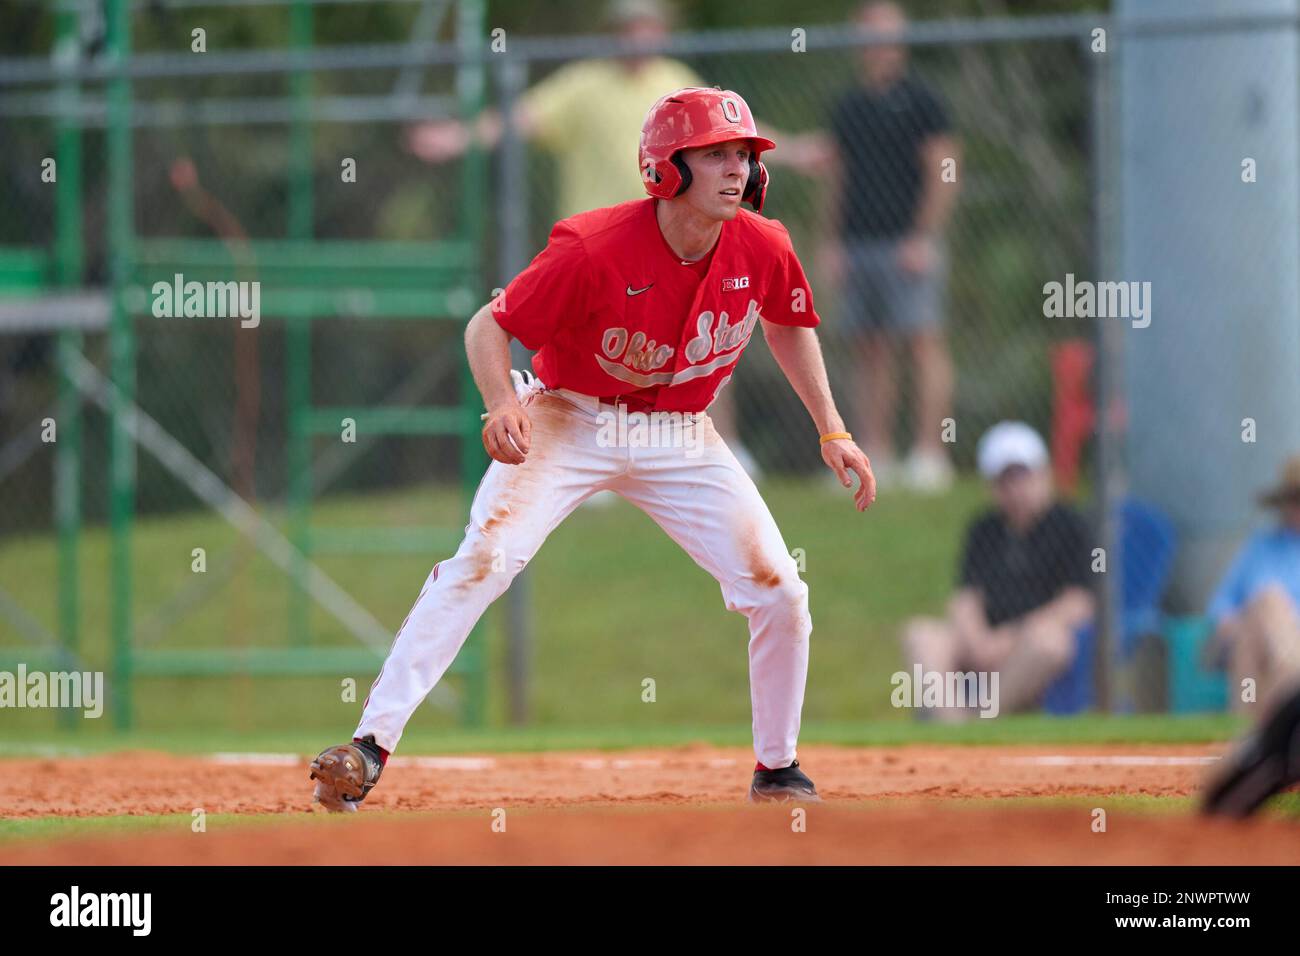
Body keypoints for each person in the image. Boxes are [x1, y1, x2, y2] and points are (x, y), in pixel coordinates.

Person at [310, 87, 876, 811]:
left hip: (682, 432)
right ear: (666, 170)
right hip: (569, 416)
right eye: (715, 155)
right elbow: (491, 323)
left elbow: (789, 322)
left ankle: (777, 771)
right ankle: (368, 749)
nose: (737, 170)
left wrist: (833, 428)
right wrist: (501, 402)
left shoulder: (763, 244)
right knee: (486, 558)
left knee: (781, 591)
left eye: (744, 155)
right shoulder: (595, 246)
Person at [407, 0, 763, 478]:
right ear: (612, 34)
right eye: (628, 28)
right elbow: (522, 118)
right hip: (604, 254)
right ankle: (581, 456)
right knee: (586, 357)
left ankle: (722, 448)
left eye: (647, 27)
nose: (638, 37)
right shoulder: (585, 84)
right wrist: (459, 137)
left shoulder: (677, 82)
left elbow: (737, 135)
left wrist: (799, 151)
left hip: (678, 247)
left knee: (709, 343)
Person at [819, 0, 960, 492]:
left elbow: (944, 170)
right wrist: (832, 242)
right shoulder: (848, 105)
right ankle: (872, 449)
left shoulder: (924, 100)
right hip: (859, 244)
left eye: (886, 35)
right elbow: (836, 175)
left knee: (922, 341)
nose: (877, 45)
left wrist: (923, 236)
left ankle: (928, 454)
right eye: (869, 35)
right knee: (868, 349)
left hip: (908, 245)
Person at [900, 422, 1093, 719]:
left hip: (1027, 644)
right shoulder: (985, 528)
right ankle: (952, 727)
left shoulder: (1068, 525)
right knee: (921, 634)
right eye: (1005, 479)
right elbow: (966, 597)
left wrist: (1009, 638)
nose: (1015, 489)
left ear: (1044, 475)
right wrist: (979, 641)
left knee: (1049, 641)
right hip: (983, 641)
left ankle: (982, 720)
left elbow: (1078, 603)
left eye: (1022, 476)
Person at [1204, 454, 1300, 715]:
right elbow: (1220, 605)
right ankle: (1273, 718)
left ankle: (1262, 729)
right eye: (1293, 499)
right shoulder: (1261, 546)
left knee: (1271, 604)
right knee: (1264, 608)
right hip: (1256, 640)